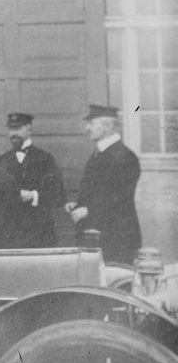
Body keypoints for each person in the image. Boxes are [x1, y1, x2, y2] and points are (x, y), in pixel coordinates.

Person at [65, 104, 141, 264]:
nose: (87, 128)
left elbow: (120, 197)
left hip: (117, 236)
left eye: (92, 123)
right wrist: (79, 205)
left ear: (107, 126)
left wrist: (88, 210)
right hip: (95, 233)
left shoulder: (125, 157)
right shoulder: (99, 153)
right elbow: (98, 191)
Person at [0, 112, 66, 248]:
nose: (13, 134)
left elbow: (57, 194)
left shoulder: (45, 159)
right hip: (10, 233)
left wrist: (33, 196)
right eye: (10, 129)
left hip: (39, 230)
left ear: (29, 129)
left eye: (17, 128)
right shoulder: (2, 161)